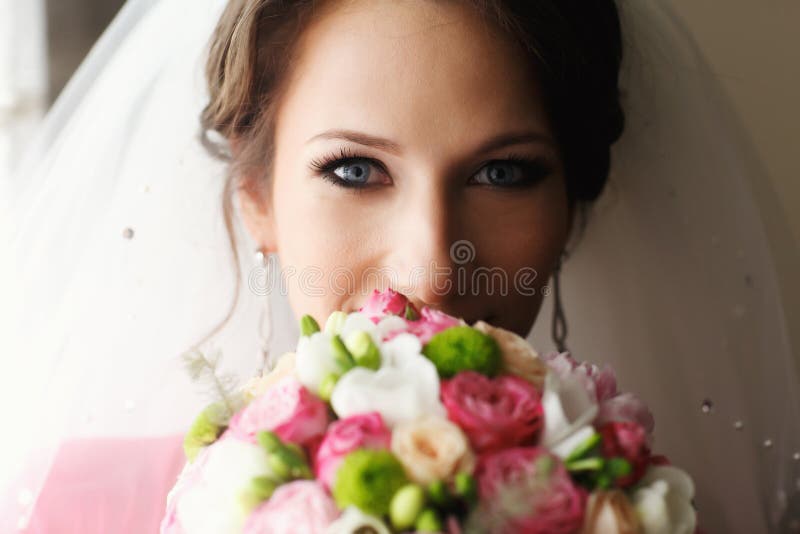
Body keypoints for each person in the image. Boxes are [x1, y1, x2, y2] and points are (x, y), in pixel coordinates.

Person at [1, 0, 798, 532]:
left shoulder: (662, 517)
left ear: (571, 206)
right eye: (354, 170)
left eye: (503, 173)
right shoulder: (61, 510)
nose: (430, 274)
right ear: (256, 195)